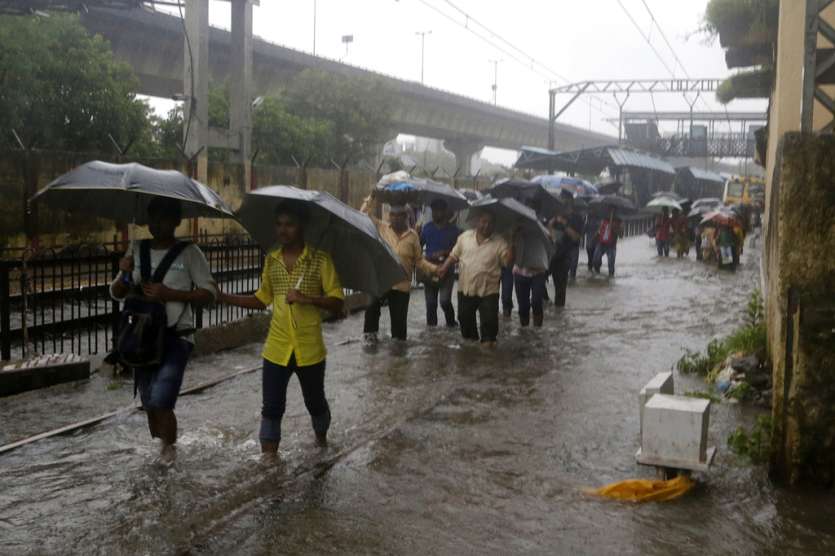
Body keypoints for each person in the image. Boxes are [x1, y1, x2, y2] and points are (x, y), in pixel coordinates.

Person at [218, 202, 344, 460]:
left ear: (302, 226)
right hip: (276, 348)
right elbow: (261, 298)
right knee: (272, 408)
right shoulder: (272, 259)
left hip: (309, 349)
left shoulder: (320, 260)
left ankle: (321, 440)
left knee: (315, 403)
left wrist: (307, 298)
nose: (283, 230)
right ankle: (269, 464)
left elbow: (337, 302)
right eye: (279, 224)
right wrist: (224, 297)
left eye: (289, 224)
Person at [109, 197, 217, 464]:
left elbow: (210, 294)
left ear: (176, 221)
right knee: (148, 403)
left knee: (162, 399)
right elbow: (116, 292)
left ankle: (169, 453)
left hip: (176, 337)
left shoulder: (190, 253)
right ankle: (161, 446)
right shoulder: (136, 248)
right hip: (143, 339)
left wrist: (172, 294)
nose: (158, 224)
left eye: (165, 218)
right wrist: (124, 273)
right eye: (154, 217)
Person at [361, 193, 437, 342]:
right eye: (393, 215)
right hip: (381, 280)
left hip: (401, 284)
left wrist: (434, 269)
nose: (395, 218)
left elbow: (419, 261)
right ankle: (369, 341)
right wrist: (372, 197)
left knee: (399, 327)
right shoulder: (382, 227)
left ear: (406, 217)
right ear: (389, 216)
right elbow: (362, 215)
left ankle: (398, 353)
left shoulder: (413, 236)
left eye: (399, 215)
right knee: (371, 308)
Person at [437, 211, 514, 347]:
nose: (486, 225)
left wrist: (512, 243)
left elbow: (508, 263)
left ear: (494, 225)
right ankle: (471, 361)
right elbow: (454, 255)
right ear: (477, 221)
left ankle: (487, 360)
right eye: (484, 221)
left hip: (489, 292)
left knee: (489, 333)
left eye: (490, 223)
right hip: (466, 290)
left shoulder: (500, 242)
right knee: (467, 333)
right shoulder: (464, 237)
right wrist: (444, 268)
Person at [419, 199, 461, 327]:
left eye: (438, 211)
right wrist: (427, 257)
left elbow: (459, 251)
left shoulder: (454, 231)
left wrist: (445, 252)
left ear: (444, 212)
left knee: (444, 301)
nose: (434, 214)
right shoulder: (427, 228)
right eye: (433, 211)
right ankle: (432, 331)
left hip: (447, 272)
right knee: (431, 304)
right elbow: (418, 248)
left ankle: (451, 324)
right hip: (429, 271)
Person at [549, 192, 584, 307]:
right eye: (561, 200)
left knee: (560, 289)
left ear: (570, 202)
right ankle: (547, 304)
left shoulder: (577, 218)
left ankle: (559, 314)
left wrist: (564, 224)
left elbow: (576, 237)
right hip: (551, 254)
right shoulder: (553, 215)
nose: (562, 203)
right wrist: (551, 224)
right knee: (537, 282)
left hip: (566, 256)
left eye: (565, 200)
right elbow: (547, 234)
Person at [512, 233, 548, 328]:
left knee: (536, 301)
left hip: (538, 272)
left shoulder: (540, 231)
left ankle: (537, 330)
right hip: (520, 272)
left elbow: (550, 247)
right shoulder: (515, 232)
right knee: (523, 306)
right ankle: (525, 331)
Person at [593, 208, 622, 277]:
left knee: (611, 264)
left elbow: (621, 235)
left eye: (612, 211)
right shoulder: (603, 220)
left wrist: (613, 229)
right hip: (601, 243)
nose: (610, 213)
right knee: (595, 260)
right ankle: (597, 275)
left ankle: (611, 278)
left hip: (611, 245)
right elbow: (599, 230)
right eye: (609, 211)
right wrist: (596, 234)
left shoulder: (619, 221)